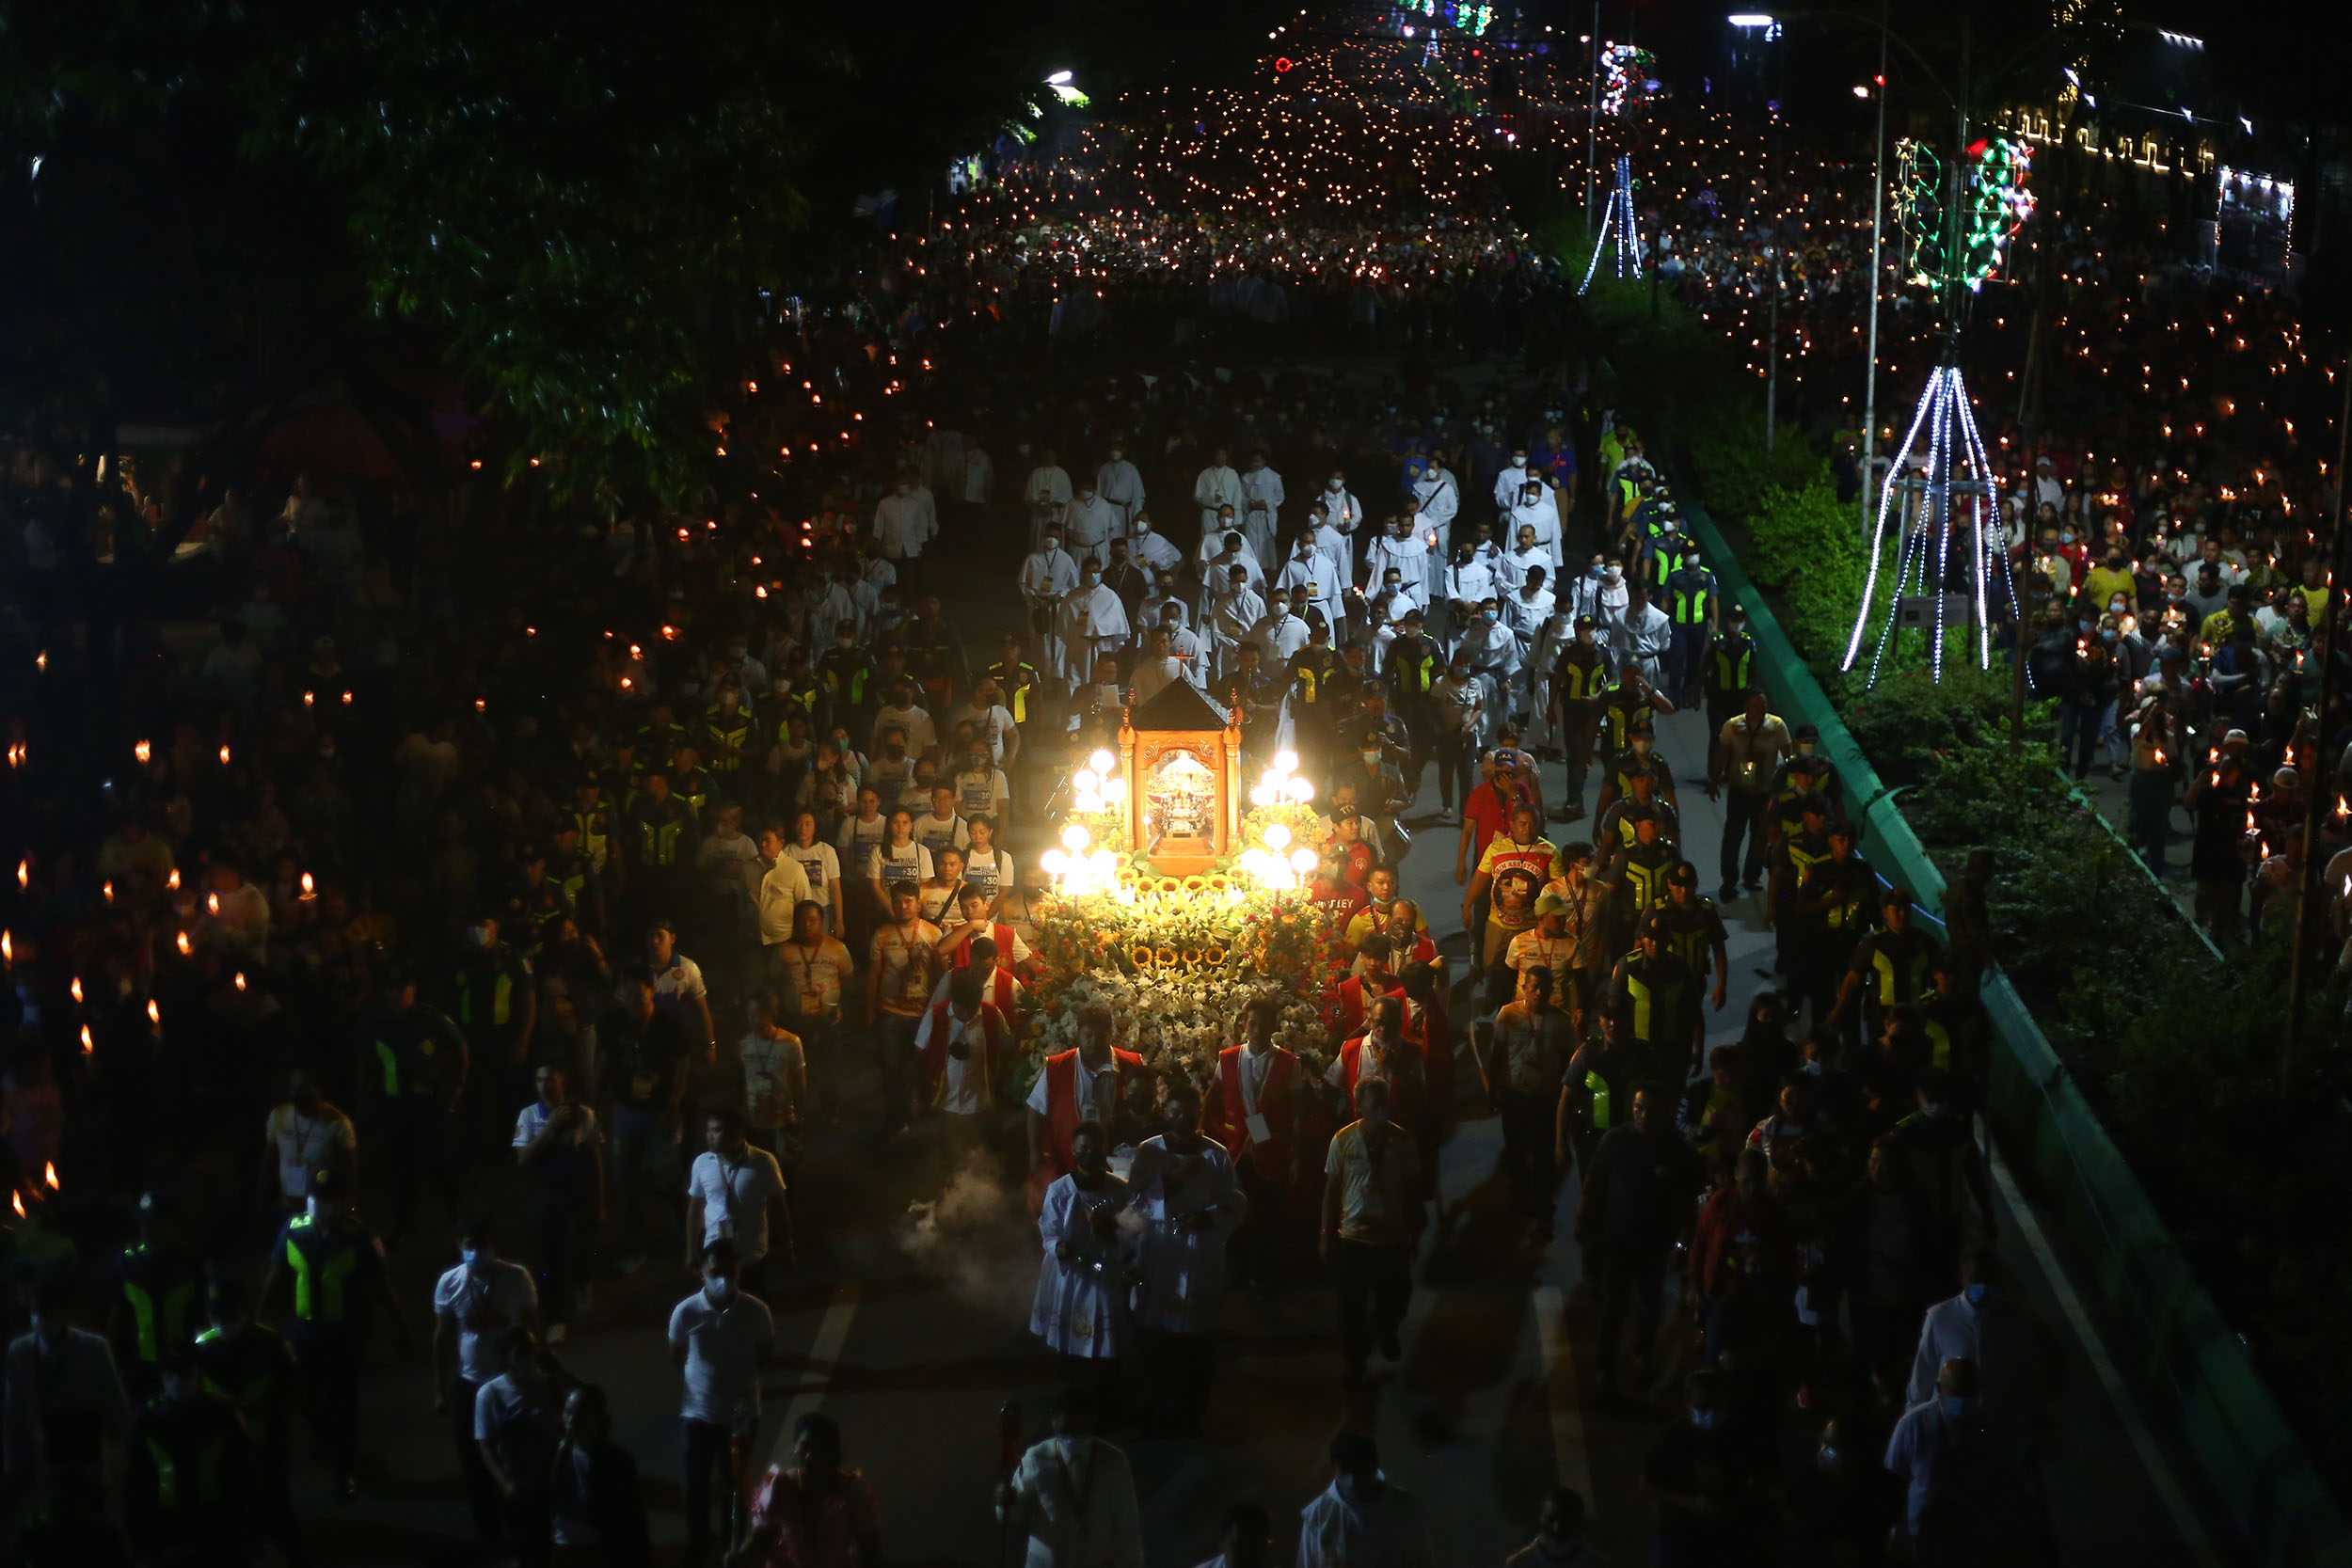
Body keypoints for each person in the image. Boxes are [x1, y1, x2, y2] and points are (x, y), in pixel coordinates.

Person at [260, 1164, 406, 1498]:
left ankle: (344, 1470)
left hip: (345, 1336)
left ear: (342, 1201)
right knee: (307, 1399)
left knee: (343, 1402)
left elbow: (382, 1287)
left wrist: (402, 1328)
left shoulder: (361, 1237)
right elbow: (276, 1273)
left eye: (326, 1198)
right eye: (314, 1196)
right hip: (303, 1334)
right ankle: (326, 1443)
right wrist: (259, 1314)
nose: (319, 1203)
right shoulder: (293, 1231)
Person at [1126, 1078, 1248, 1434]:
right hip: (1159, 1253)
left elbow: (1236, 1202)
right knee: (1155, 1340)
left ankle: (1191, 1414)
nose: (1180, 1120)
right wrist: (1174, 1180)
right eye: (1174, 1113)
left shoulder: (1215, 1154)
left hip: (1200, 1253)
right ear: (1165, 1113)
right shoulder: (1149, 1151)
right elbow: (1134, 1202)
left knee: (1197, 1344)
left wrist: (1208, 1217)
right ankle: (1150, 1408)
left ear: (1198, 1114)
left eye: (1187, 1114)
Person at [1577, 1082, 1705, 1389]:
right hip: (1617, 1240)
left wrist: (1686, 1243)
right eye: (1638, 1108)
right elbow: (1594, 1182)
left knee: (1649, 1304)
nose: (1643, 1115)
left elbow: (1689, 1199)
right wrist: (1583, 1221)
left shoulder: (1676, 1151)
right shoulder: (1615, 1141)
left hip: (1654, 1243)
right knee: (1614, 1305)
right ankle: (1605, 1364)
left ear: (1664, 1110)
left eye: (1650, 1109)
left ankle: (1641, 1352)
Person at [435, 1213, 543, 1550]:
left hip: (508, 1383)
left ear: (494, 1246)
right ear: (459, 1246)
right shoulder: (449, 1283)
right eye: (470, 1246)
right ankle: (489, 1534)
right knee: (472, 1462)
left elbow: (533, 1329)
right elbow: (441, 1337)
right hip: (469, 1382)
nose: (477, 1253)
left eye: (483, 1246)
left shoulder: (517, 1278)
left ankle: (520, 1529)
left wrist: (536, 1375)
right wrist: (440, 1390)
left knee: (511, 1459)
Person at [671, 1240, 775, 1568]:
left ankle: (736, 1547)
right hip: (698, 1415)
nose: (722, 1279)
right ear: (701, 1272)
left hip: (740, 1417)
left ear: (739, 1271)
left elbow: (764, 1355)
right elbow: (677, 1355)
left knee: (736, 1486)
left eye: (728, 1272)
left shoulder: (756, 1312)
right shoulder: (686, 1312)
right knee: (695, 1486)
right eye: (715, 1272)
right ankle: (699, 1541)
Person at [3, 1279, 130, 1535]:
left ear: (63, 1314)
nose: (39, 1320)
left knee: (90, 1521)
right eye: (35, 1313)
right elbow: (12, 1412)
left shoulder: (94, 1348)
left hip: (86, 1453)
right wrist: (14, 1463)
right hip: (42, 1457)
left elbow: (114, 1404)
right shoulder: (20, 1352)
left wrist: (120, 1457)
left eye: (45, 1313)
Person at [1321, 1077, 1422, 1388]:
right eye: (1372, 1104)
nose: (1378, 1109)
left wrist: (1413, 1231)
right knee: (1350, 1307)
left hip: (1391, 1239)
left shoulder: (1403, 1142)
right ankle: (1355, 1361)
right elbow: (1331, 1190)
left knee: (1397, 1297)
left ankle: (1386, 1328)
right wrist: (1325, 1235)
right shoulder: (1343, 1140)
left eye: (1382, 1103)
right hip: (1353, 1238)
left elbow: (1412, 1188)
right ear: (1358, 1106)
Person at [1031, 1119, 1136, 1421]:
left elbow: (1135, 1235)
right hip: (1072, 1279)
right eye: (1082, 1149)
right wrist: (1059, 1248)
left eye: (1094, 1148)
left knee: (1106, 1350)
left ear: (1104, 1150)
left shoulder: (1120, 1192)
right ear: (1073, 1152)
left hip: (1105, 1281)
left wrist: (1112, 1229)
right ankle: (1071, 1411)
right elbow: (1048, 1233)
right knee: (1072, 1351)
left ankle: (1106, 1409)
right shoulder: (1060, 1190)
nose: (1088, 1154)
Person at [121, 1351, 259, 1568]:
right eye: (171, 1374)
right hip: (168, 1520)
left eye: (184, 1374)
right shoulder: (146, 1417)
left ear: (196, 1376)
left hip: (216, 1518)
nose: (178, 1381)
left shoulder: (222, 1412)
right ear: (162, 1378)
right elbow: (134, 1477)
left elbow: (243, 1467)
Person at [601, 968, 689, 1274]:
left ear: (652, 991)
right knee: (624, 1180)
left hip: (659, 1111)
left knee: (663, 1175)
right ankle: (634, 1245)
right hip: (626, 1110)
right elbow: (606, 1062)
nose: (633, 1001)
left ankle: (684, 1219)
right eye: (627, 995)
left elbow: (681, 1065)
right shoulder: (614, 1023)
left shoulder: (667, 1025)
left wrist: (675, 1105)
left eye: (639, 995)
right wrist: (603, 1101)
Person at [995, 1387, 1144, 1568]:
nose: (1075, 1428)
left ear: (1093, 1419)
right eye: (1069, 1422)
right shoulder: (1036, 1458)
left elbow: (1128, 1525)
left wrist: (1133, 1564)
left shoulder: (1113, 1462)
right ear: (1054, 1419)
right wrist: (1005, 1502)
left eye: (1080, 1421)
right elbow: (1013, 1516)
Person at [1479, 964, 1574, 1240]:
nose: (1539, 993)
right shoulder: (1508, 1015)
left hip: (1546, 1097)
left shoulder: (1561, 1020)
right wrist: (1492, 1090)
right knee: (1515, 1149)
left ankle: (1544, 1210)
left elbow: (1569, 1060)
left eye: (1544, 988)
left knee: (1545, 1156)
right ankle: (1520, 1198)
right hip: (1514, 1095)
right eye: (1533, 987)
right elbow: (1497, 1053)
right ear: (1524, 988)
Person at [515, 1063, 603, 1343]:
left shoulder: (583, 1115)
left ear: (562, 1081)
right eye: (539, 1080)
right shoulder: (528, 1116)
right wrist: (550, 1129)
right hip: (544, 1197)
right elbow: (523, 1157)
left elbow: (595, 1158)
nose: (545, 1086)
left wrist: (601, 1200)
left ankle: (582, 1280)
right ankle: (556, 1318)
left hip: (576, 1196)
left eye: (550, 1079)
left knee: (577, 1250)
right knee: (547, 1260)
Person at [1026, 1004, 1145, 1197]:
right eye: (1088, 1036)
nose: (1094, 1042)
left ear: (1110, 1034)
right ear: (1078, 1033)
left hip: (1117, 1162)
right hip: (1068, 1161)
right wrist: (1034, 1152)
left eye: (1100, 1036)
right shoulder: (1057, 1067)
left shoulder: (1131, 1064)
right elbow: (1035, 1110)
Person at [735, 1411, 882, 1568]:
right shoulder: (780, 1487)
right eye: (805, 1447)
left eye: (819, 1449)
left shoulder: (852, 1491)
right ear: (796, 1448)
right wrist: (739, 1558)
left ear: (833, 1453)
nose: (810, 1456)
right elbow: (760, 1539)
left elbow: (869, 1550)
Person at [475, 1326, 570, 1568]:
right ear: (506, 1358)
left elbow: (568, 1426)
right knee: (528, 1549)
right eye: (521, 1352)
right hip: (519, 1488)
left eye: (531, 1349)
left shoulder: (547, 1383)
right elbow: (485, 1445)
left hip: (551, 1482)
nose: (529, 1356)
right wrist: (506, 1484)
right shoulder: (490, 1394)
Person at [686, 1110, 793, 1302]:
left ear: (737, 1135)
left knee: (753, 1306)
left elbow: (779, 1207)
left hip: (751, 1253)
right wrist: (691, 1249)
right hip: (714, 1256)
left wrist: (786, 1245)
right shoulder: (702, 1163)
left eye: (717, 1131)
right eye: (708, 1130)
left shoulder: (763, 1162)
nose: (710, 1136)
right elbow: (695, 1209)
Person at [1643, 1370, 1745, 1566]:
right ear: (1688, 1402)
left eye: (1717, 1405)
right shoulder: (1672, 1436)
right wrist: (1688, 1503)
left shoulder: (1737, 1436)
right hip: (1677, 1533)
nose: (1712, 1413)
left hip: (1725, 1535)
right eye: (1704, 1406)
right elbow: (1647, 1485)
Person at [548, 1384, 653, 1568]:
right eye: (568, 1413)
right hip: (562, 1549)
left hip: (600, 1551)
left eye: (580, 1413)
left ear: (597, 1417)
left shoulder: (617, 1460)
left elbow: (633, 1516)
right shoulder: (555, 1454)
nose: (571, 1420)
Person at [1296, 1431, 1433, 1567]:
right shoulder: (1318, 1515)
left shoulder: (1405, 1510)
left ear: (1374, 1467)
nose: (1353, 1478)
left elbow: (1422, 1561)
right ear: (1334, 1468)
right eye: (1345, 1469)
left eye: (1360, 1470)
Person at [1709, 689, 1790, 900]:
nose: (1759, 709)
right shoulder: (1733, 726)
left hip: (1765, 791)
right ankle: (1729, 878)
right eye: (1754, 705)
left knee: (1760, 835)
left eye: (1762, 705)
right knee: (1733, 836)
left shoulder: (1777, 726)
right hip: (1739, 789)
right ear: (1746, 706)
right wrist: (1715, 780)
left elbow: (1788, 755)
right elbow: (1722, 752)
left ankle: (1752, 875)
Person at [261, 1069, 357, 1216]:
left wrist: (348, 1207)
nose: (298, 1097)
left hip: (322, 1212)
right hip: (287, 1206)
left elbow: (350, 1170)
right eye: (294, 1089)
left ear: (319, 1091)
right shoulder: (278, 1117)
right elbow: (268, 1161)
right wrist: (262, 1200)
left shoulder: (339, 1123)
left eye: (305, 1091)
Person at [1502, 1488, 1605, 1568]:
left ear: (1579, 1520)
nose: (1557, 1528)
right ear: (1540, 1518)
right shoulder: (1519, 1564)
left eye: (1566, 1520)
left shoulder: (1596, 1564)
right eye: (1550, 1519)